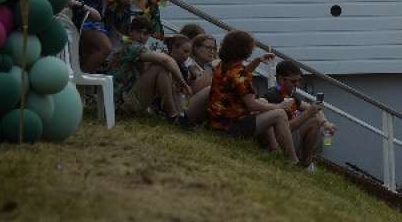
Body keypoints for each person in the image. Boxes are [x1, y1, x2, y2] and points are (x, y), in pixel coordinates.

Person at [204, 30, 303, 165]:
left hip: (217, 122)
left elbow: (238, 77)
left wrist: (258, 61)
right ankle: (293, 160)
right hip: (230, 128)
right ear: (245, 50)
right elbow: (252, 105)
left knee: (263, 103)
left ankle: (274, 149)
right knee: (279, 114)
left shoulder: (223, 65)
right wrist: (280, 106)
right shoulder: (240, 76)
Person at [99, 15, 191, 119]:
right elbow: (166, 60)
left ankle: (178, 114)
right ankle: (172, 114)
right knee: (160, 67)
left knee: (163, 69)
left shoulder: (141, 48)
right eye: (138, 32)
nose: (141, 37)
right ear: (130, 32)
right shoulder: (130, 47)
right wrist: (183, 82)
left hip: (128, 99)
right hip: (119, 104)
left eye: (145, 34)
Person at [260, 60, 336, 167]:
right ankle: (306, 163)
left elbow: (314, 108)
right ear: (281, 79)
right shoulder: (271, 96)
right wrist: (308, 114)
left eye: (299, 80)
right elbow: (283, 128)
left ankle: (306, 162)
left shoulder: (290, 94)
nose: (297, 85)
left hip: (291, 137)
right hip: (280, 141)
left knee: (315, 120)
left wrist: (325, 123)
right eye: (293, 81)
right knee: (313, 121)